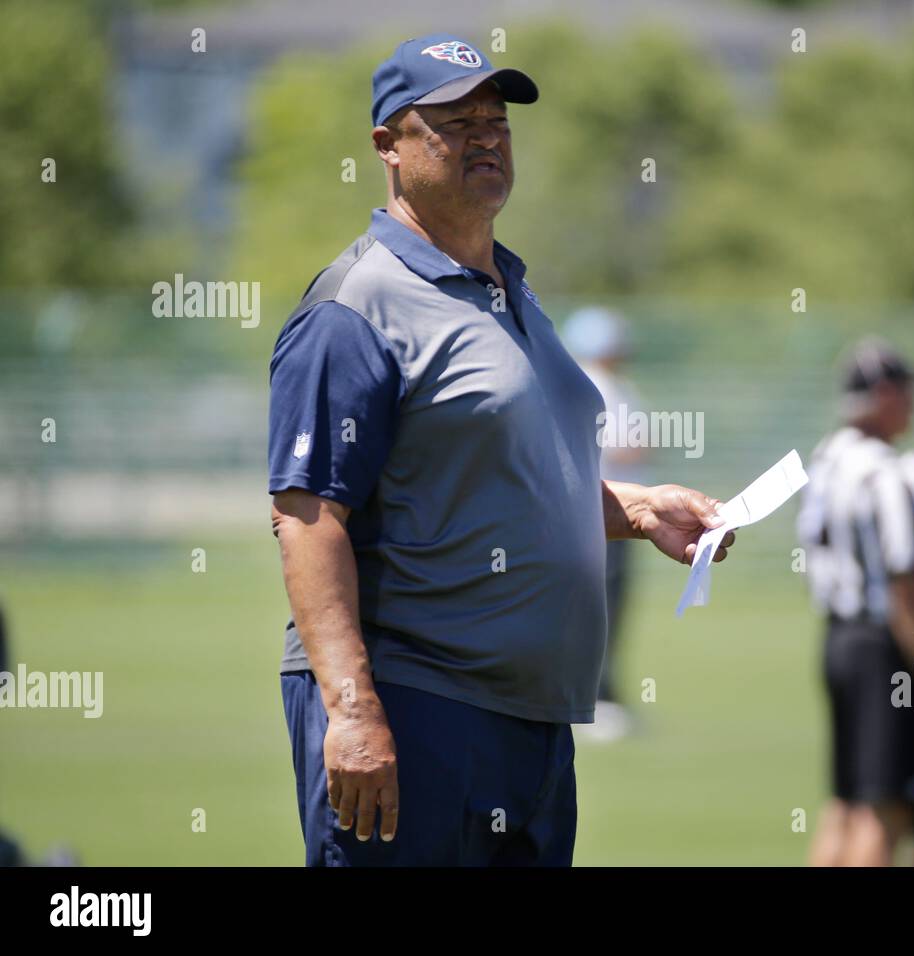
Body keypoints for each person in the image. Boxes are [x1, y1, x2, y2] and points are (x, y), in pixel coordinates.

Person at [267, 33, 735, 866]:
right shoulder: (358, 306)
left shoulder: (510, 291)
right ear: (389, 146)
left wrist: (637, 508)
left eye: (498, 119)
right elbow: (307, 516)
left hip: (532, 720)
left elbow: (511, 481)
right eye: (454, 121)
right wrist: (353, 710)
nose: (486, 135)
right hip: (416, 707)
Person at [797, 339, 914, 867]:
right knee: (885, 813)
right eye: (909, 391)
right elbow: (905, 588)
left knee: (844, 804)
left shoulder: (827, 456)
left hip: (838, 639)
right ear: (886, 393)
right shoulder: (888, 471)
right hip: (881, 646)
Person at [563, 306, 648, 742]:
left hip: (619, 513)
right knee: (602, 607)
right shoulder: (596, 384)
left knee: (612, 605)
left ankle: (605, 693)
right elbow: (624, 447)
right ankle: (594, 698)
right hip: (604, 511)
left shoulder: (610, 384)